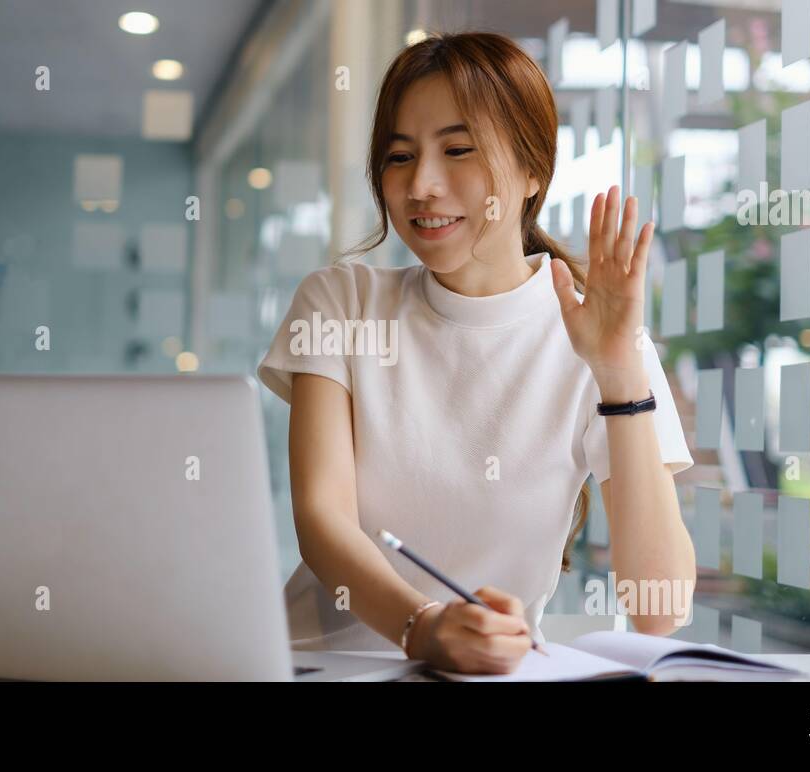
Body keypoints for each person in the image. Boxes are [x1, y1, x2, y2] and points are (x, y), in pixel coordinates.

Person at [257, 32, 695, 675]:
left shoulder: (601, 336)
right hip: (321, 664)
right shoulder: (340, 302)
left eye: (457, 150)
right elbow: (323, 519)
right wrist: (421, 628)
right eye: (399, 157)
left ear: (532, 171)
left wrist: (617, 369)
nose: (421, 185)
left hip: (487, 674)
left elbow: (659, 608)